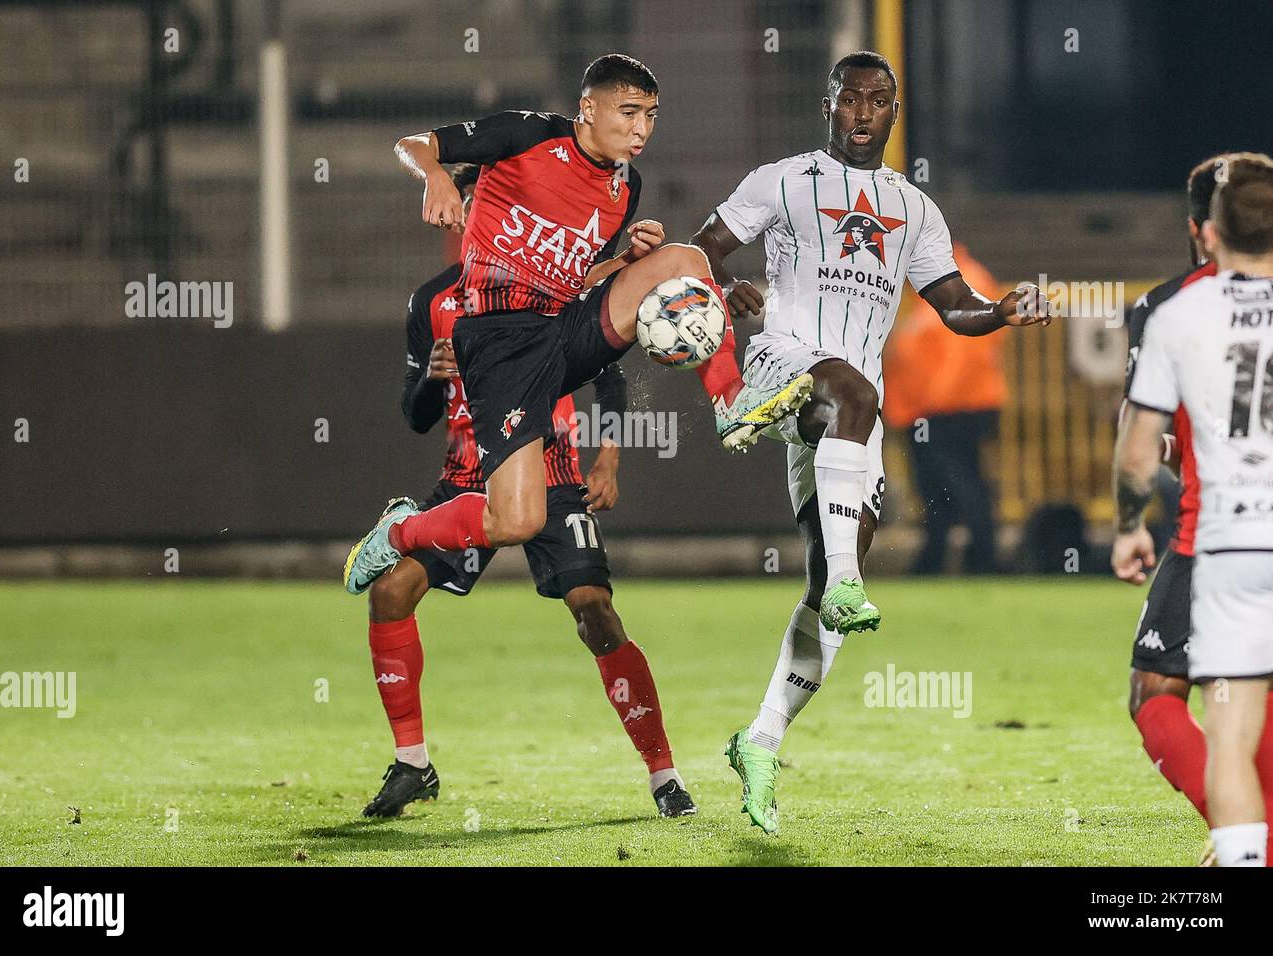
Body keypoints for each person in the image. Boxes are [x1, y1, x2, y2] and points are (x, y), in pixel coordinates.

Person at [690, 50, 1051, 834]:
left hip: (849, 426)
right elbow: (698, 252)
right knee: (846, 392)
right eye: (850, 97)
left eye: (878, 101)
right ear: (829, 104)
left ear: (894, 113)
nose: (862, 111)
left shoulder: (915, 209)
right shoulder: (780, 180)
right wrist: (724, 291)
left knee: (823, 588)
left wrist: (1003, 311)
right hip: (789, 359)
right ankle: (753, 403)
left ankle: (760, 738)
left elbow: (954, 303)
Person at [343, 53, 814, 600]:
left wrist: (628, 262)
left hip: (562, 328)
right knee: (514, 521)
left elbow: (576, 277)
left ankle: (731, 399)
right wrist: (436, 177)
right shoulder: (526, 134)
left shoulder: (625, 187)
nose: (641, 129)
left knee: (683, 258)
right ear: (588, 108)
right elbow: (413, 142)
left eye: (652, 116)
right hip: (500, 342)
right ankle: (399, 530)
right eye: (629, 112)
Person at [359, 164, 695, 819]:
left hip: (557, 475)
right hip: (466, 485)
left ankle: (664, 775)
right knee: (390, 590)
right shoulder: (430, 304)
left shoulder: (554, 285)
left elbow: (611, 373)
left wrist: (609, 460)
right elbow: (416, 414)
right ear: (458, 219)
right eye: (473, 205)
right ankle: (412, 764)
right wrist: (432, 376)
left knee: (595, 611)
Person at [1115, 152, 1273, 866]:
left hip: (1225, 542)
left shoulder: (1171, 312)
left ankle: (1245, 847)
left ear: (1203, 230)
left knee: (1185, 702)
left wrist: (1125, 527)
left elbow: (1138, 447)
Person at [884, 241, 1007, 574]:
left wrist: (930, 405)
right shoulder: (928, 286)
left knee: (961, 483)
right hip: (931, 409)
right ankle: (939, 557)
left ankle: (982, 559)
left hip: (954, 407)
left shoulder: (965, 281)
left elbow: (964, 354)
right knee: (936, 486)